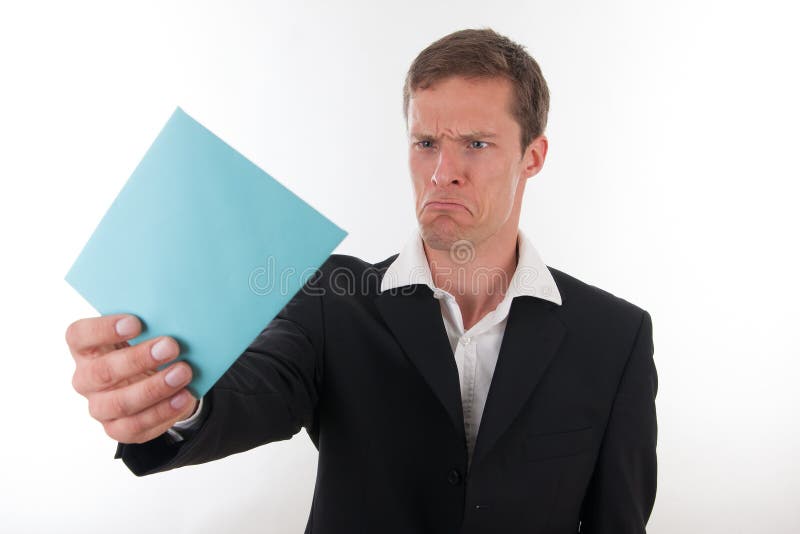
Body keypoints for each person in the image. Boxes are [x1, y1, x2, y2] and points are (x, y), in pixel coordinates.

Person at [65, 28, 657, 533]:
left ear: (533, 156)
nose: (442, 173)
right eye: (426, 143)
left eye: (476, 144)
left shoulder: (614, 336)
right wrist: (176, 403)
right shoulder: (332, 298)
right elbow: (254, 393)